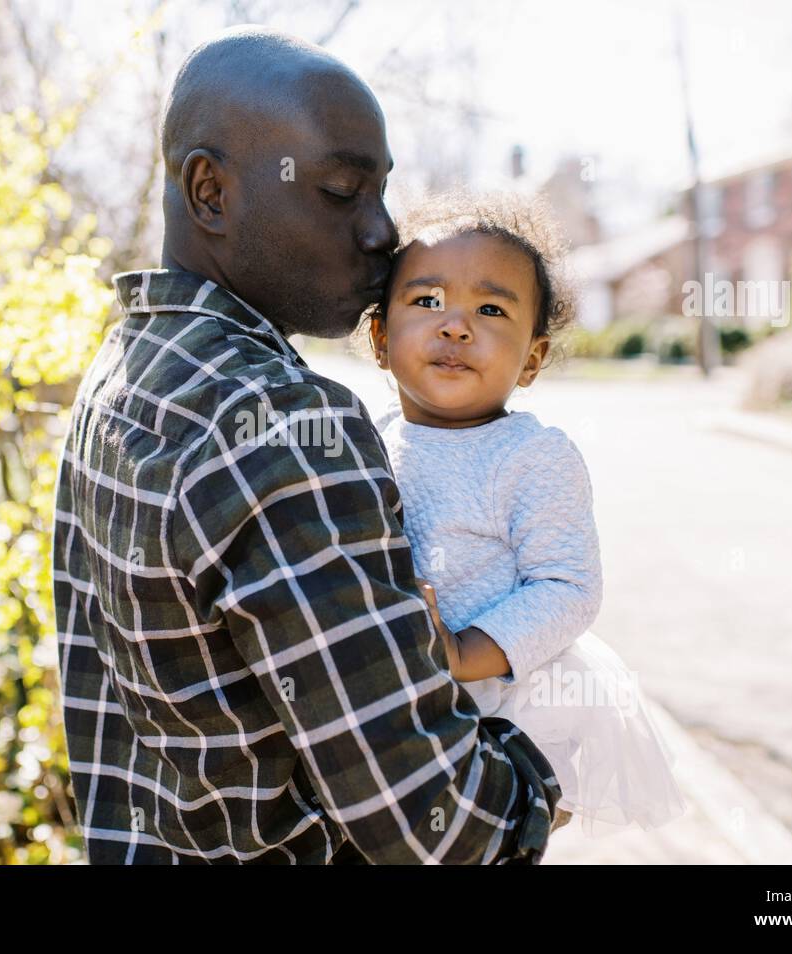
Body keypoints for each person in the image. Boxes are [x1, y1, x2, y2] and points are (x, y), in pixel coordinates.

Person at [51, 26, 564, 864]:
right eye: (339, 192)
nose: (382, 233)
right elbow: (432, 827)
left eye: (382, 193)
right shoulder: (284, 424)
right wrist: (539, 786)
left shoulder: (120, 373)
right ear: (210, 192)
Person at [367, 190, 688, 837]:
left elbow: (567, 586)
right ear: (379, 337)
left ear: (533, 358)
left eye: (490, 310)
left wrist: (462, 652)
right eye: (427, 301)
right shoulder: (370, 438)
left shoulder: (532, 455)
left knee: (486, 839)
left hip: (509, 700)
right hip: (412, 702)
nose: (455, 325)